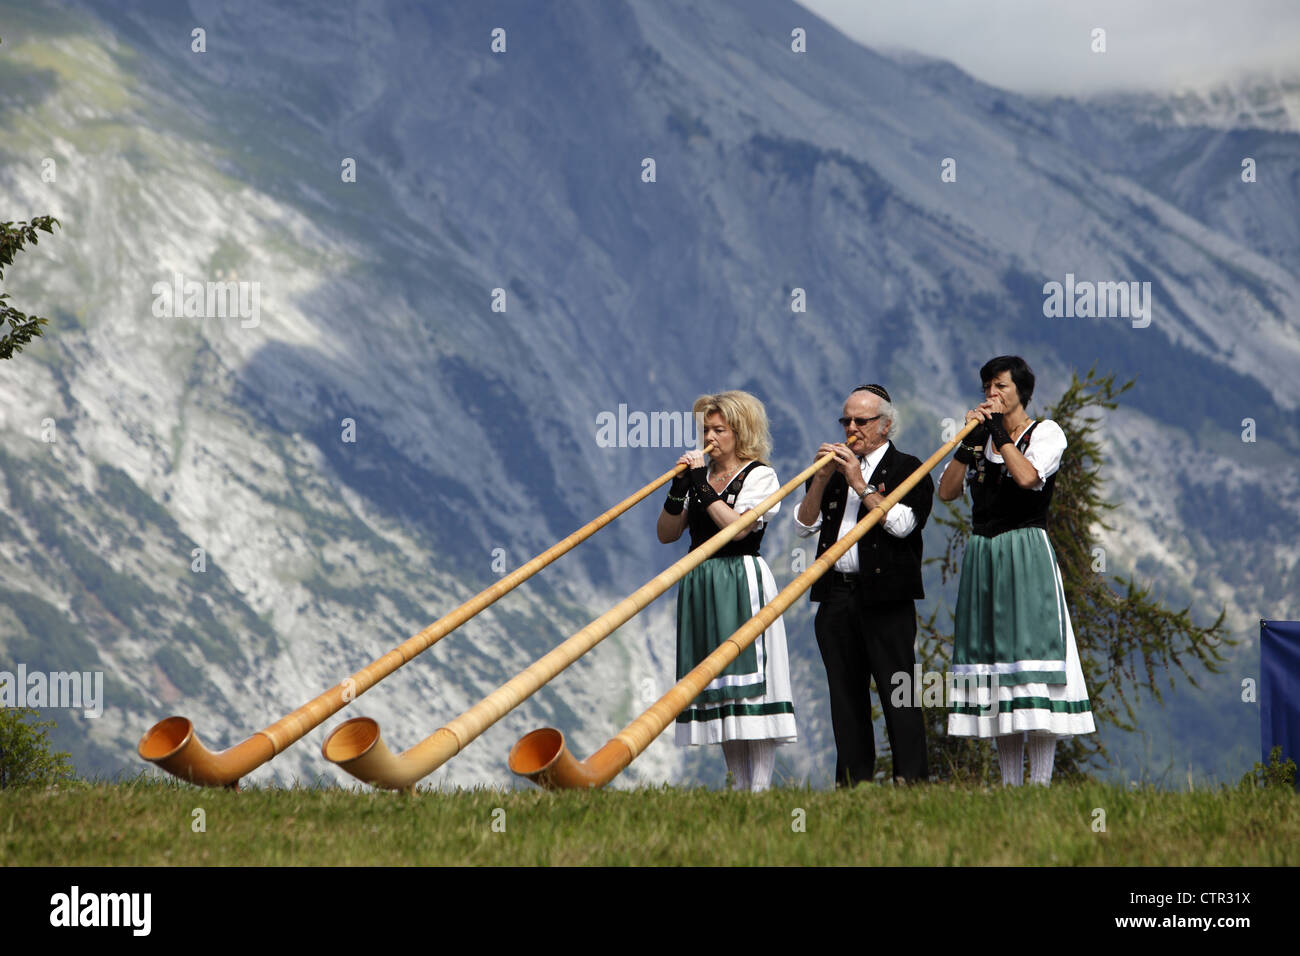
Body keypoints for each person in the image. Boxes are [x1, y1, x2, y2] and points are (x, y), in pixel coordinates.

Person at [937, 356, 1096, 786]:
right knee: (999, 672)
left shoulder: (1045, 433)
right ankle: (1010, 785)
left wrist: (997, 435)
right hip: (985, 554)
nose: (992, 393)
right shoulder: (982, 440)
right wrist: (968, 445)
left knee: (1033, 668)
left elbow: (1027, 477)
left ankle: (1039, 783)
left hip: (1025, 550)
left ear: (1021, 392)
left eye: (1001, 386)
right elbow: (947, 492)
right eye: (987, 386)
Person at [794, 384, 933, 786]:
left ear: (885, 426)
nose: (851, 428)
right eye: (846, 420)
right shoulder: (833, 469)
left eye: (861, 420)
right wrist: (820, 480)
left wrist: (859, 483)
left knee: (898, 691)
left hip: (886, 598)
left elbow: (903, 525)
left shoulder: (910, 467)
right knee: (844, 694)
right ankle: (854, 784)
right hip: (836, 594)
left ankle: (911, 780)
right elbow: (805, 527)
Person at [657, 390, 796, 792]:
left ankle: (761, 786)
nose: (710, 437)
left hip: (741, 577)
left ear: (742, 432)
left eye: (719, 429)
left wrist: (700, 484)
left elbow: (738, 526)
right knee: (720, 688)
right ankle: (737, 784)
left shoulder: (760, 475)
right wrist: (679, 488)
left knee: (753, 686)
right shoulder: (701, 478)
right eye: (706, 429)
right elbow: (667, 535)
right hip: (702, 579)